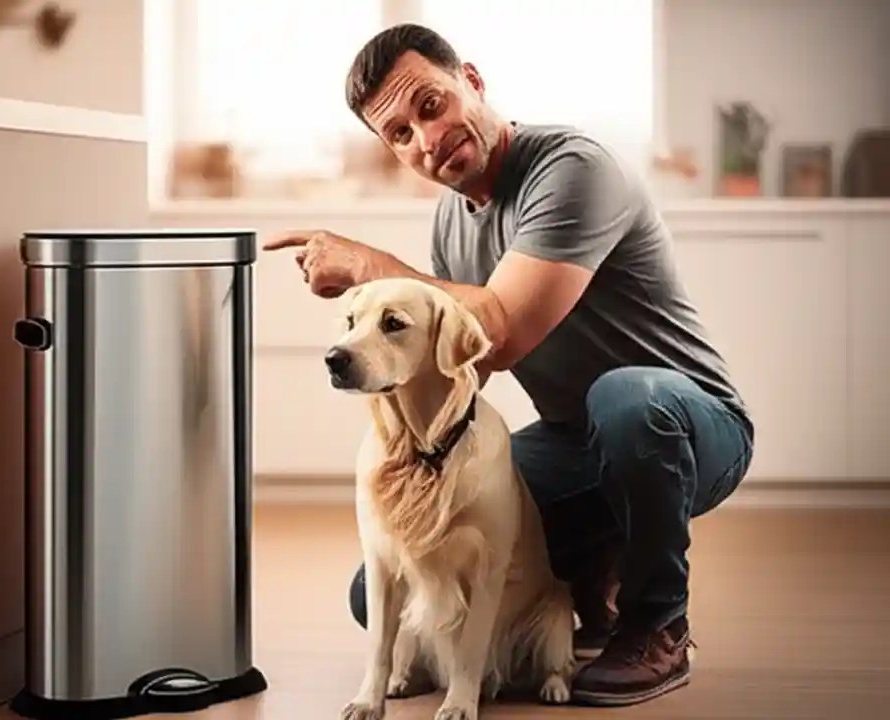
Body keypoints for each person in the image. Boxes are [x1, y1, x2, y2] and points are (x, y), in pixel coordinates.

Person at [263, 23, 755, 706]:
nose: (426, 140)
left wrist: (369, 267)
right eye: (400, 135)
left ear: (471, 79)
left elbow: (500, 330)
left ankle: (657, 625)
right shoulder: (452, 219)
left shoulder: (572, 170)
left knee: (627, 401)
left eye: (430, 105)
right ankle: (588, 589)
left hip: (688, 428)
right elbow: (460, 369)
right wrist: (412, 460)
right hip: (575, 438)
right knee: (378, 588)